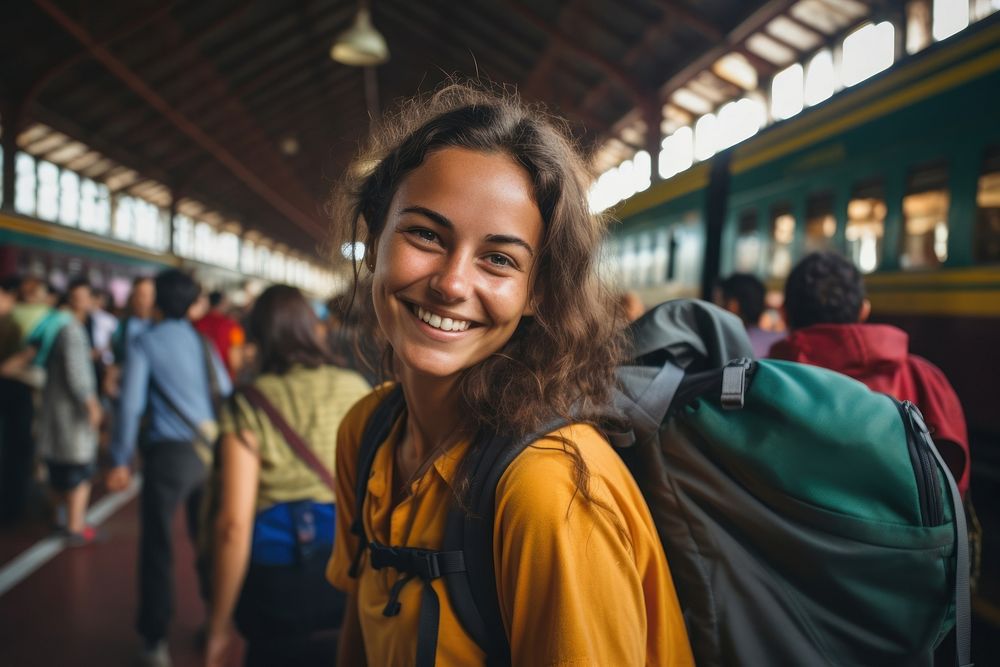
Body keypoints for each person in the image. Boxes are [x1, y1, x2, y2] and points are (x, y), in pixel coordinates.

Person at [325, 83, 694, 666]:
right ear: (374, 243)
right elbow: (362, 625)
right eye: (425, 234)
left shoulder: (551, 494)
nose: (450, 283)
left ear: (536, 295)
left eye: (499, 259)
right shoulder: (366, 433)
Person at [203, 285, 370, 667]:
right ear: (312, 329)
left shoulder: (249, 401)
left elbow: (233, 524)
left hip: (278, 576)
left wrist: (218, 625)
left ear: (257, 336)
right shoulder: (355, 388)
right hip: (350, 563)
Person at [769, 251, 970, 497]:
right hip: (899, 535)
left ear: (783, 314)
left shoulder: (763, 385)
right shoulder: (926, 380)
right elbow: (954, 490)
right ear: (864, 310)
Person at [108, 269, 232, 667]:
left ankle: (155, 639)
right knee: (207, 540)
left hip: (167, 456)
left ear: (157, 300)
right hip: (207, 454)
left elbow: (130, 407)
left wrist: (120, 458)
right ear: (192, 302)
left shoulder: (144, 342)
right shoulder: (203, 343)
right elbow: (227, 392)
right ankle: (216, 620)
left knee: (158, 546)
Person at [37, 278, 102, 544]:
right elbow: (78, 376)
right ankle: (75, 527)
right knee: (78, 468)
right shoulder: (72, 330)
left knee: (56, 467)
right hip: (72, 415)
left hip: (53, 410)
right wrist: (92, 404)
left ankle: (58, 520)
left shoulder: (55, 325)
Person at [714, 273, 784, 358]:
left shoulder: (728, 349)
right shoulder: (781, 342)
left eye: (719, 303)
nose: (715, 309)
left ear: (733, 305)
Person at [195, 291, 246, 380]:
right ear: (223, 304)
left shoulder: (195, 323)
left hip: (198, 377)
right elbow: (235, 362)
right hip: (223, 380)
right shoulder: (232, 327)